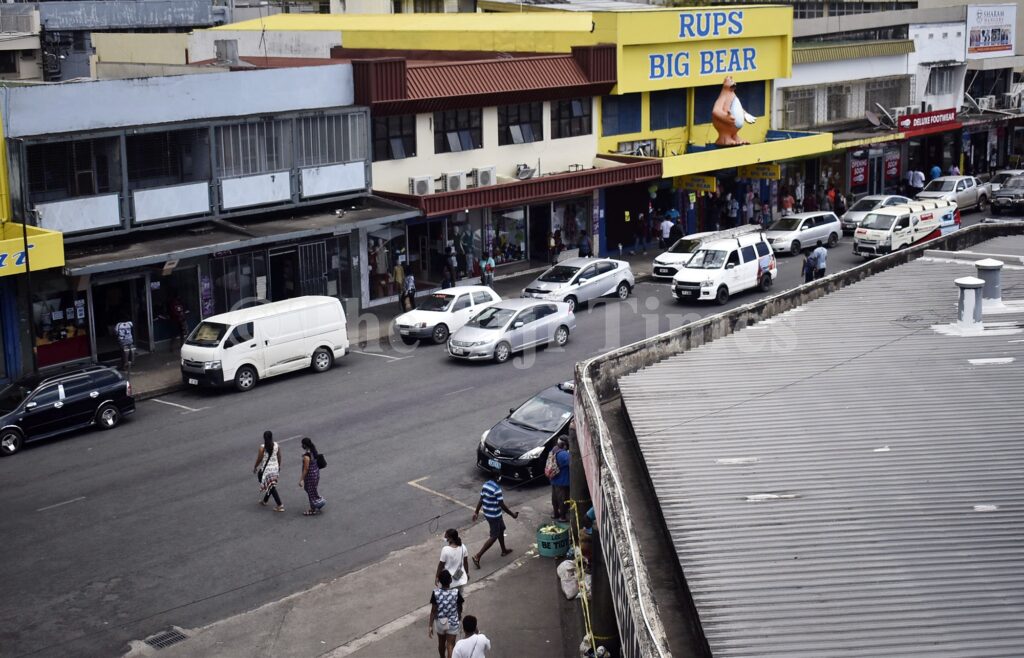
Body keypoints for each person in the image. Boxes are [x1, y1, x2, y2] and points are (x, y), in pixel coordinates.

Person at [471, 477, 518, 568]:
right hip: (494, 515)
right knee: (494, 535)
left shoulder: (486, 484)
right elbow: (502, 505)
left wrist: (476, 512)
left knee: (501, 529)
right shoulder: (497, 489)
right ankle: (477, 556)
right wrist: (512, 514)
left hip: (488, 513)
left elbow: (481, 499)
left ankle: (503, 550)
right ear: (498, 478)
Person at [429, 570, 464, 658]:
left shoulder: (435, 593)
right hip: (453, 622)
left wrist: (430, 625)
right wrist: (459, 616)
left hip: (440, 622)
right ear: (450, 581)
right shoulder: (456, 592)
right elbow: (459, 607)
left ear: (440, 581)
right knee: (450, 645)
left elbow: (433, 611)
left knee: (441, 643)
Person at [253, 430, 284, 512]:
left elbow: (259, 459)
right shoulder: (276, 445)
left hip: (267, 470)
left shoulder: (262, 447)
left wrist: (255, 466)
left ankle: (280, 505)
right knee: (270, 484)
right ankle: (265, 500)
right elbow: (279, 456)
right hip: (275, 468)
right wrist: (279, 466)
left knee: (270, 486)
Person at [436, 528, 470, 593]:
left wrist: (437, 577)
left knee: (448, 599)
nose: (444, 538)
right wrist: (467, 573)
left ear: (451, 538)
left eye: (446, 536)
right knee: (458, 598)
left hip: (448, 580)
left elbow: (441, 565)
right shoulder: (463, 547)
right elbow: (465, 562)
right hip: (459, 577)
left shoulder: (445, 550)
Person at [298, 437, 325, 516]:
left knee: (310, 492)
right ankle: (317, 502)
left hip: (310, 476)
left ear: (304, 445)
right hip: (316, 473)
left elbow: (306, 469)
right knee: (311, 490)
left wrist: (301, 479)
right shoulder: (313, 450)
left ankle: (313, 509)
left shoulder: (307, 456)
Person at [548, 436, 571, 522]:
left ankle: (555, 513)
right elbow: (572, 462)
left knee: (554, 498)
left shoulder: (554, 449)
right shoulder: (564, 455)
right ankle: (562, 517)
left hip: (554, 479)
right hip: (562, 481)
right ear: (564, 445)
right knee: (562, 500)